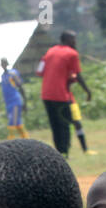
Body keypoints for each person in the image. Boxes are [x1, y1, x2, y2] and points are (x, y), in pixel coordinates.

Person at [38, 30, 91, 158]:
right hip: (60, 95)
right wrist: (87, 91)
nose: (75, 42)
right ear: (67, 40)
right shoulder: (72, 53)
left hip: (46, 94)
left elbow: (39, 71)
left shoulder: (50, 51)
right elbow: (78, 75)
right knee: (65, 124)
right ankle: (65, 152)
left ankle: (59, 152)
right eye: (73, 39)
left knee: (55, 125)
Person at [0, 57, 28, 138]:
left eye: (4, 63)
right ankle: (26, 140)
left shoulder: (13, 73)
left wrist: (24, 102)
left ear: (7, 63)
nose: (3, 65)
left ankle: (10, 141)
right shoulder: (3, 76)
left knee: (12, 122)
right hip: (8, 102)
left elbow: (21, 87)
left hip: (15, 101)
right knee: (17, 122)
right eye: (2, 63)